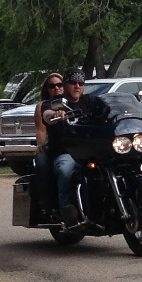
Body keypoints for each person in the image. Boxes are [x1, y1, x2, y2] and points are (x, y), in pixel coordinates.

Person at [43, 69, 94, 227]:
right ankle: (67, 211)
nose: (77, 86)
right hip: (67, 153)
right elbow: (46, 114)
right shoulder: (55, 102)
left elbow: (111, 106)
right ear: (66, 85)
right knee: (65, 170)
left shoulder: (90, 101)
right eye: (73, 83)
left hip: (91, 152)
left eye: (81, 83)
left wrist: (139, 106)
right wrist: (55, 115)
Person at [30, 73, 64, 211]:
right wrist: (41, 144)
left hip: (73, 144)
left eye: (59, 84)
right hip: (52, 144)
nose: (56, 88)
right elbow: (41, 129)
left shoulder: (72, 101)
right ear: (47, 89)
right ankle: (46, 201)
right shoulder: (43, 105)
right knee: (41, 159)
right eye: (52, 86)